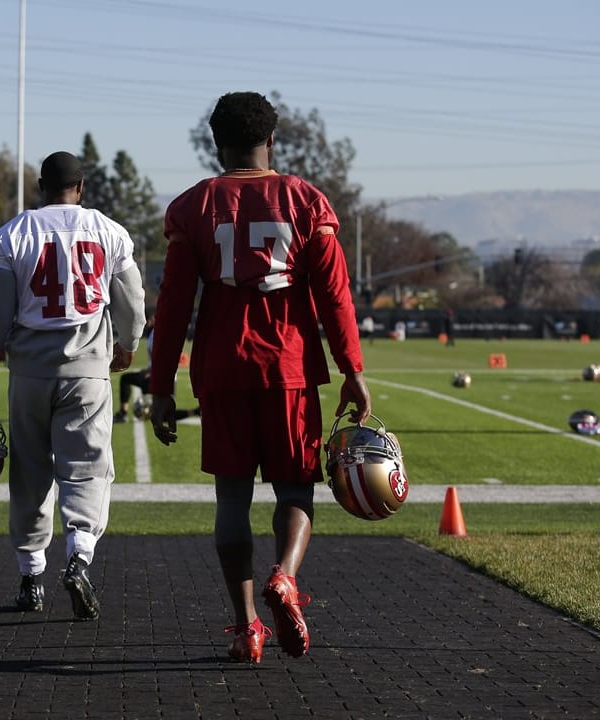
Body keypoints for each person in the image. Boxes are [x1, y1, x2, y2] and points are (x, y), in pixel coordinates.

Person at [148, 92, 369, 664]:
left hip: (222, 369)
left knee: (231, 497)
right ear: (273, 140)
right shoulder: (304, 200)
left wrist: (161, 386)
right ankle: (287, 576)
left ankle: (247, 627)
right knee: (295, 489)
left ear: (216, 143)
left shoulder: (193, 206)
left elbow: (173, 304)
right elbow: (334, 295)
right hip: (290, 369)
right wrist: (352, 369)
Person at [0, 150, 146, 622]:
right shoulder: (108, 230)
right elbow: (132, 301)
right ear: (81, 187)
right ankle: (80, 554)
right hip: (87, 368)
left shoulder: (14, 234)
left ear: (40, 186)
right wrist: (127, 345)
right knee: (88, 467)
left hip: (28, 371)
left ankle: (31, 576)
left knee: (30, 473)